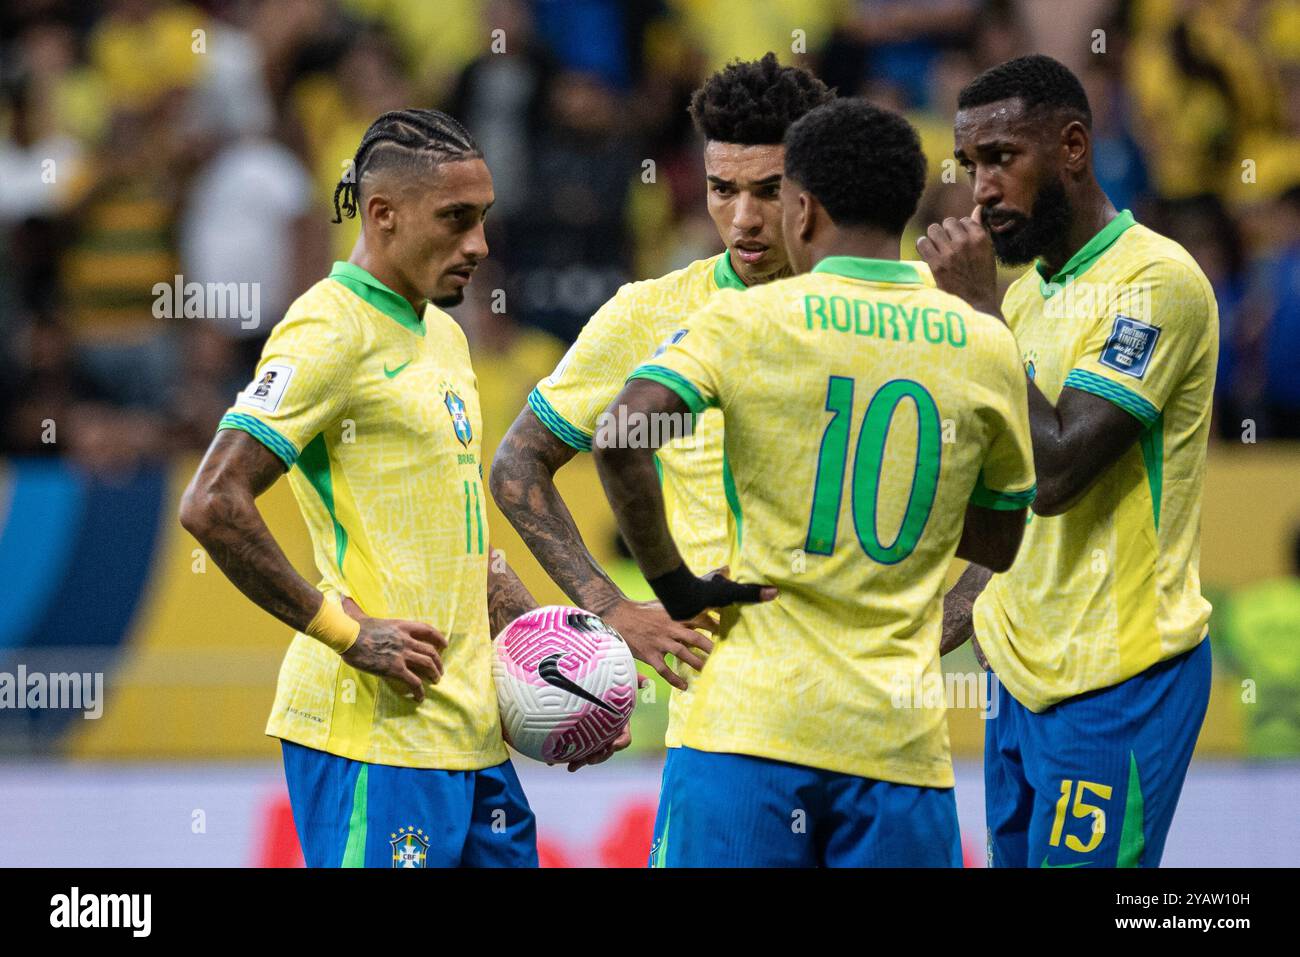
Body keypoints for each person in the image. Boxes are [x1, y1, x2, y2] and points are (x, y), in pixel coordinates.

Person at [593, 98, 1035, 867]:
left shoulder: (748, 321)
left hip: (746, 735)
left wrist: (675, 586)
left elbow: (622, 437)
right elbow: (1000, 537)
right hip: (898, 746)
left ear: (802, 209)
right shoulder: (982, 339)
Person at [179, 109, 566, 868]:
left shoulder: (445, 334)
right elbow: (213, 502)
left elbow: (439, 514)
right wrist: (349, 634)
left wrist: (522, 618)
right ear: (382, 214)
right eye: (456, 219)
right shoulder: (329, 329)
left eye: (483, 219)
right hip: (375, 737)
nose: (479, 245)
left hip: (470, 733)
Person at [488, 53, 833, 864]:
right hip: (728, 727)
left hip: (883, 721)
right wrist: (610, 606)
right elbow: (518, 464)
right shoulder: (651, 314)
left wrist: (951, 620)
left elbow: (1007, 487)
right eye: (722, 190)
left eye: (769, 189)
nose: (743, 219)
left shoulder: (898, 308)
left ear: (816, 183)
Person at [919, 54, 1218, 867]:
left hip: (1117, 681)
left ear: (1074, 146)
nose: (980, 189)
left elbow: (1055, 475)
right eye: (970, 164)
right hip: (1018, 683)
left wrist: (977, 312)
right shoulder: (1025, 298)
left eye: (1001, 158)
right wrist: (927, 628)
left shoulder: (1158, 283)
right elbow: (1010, 504)